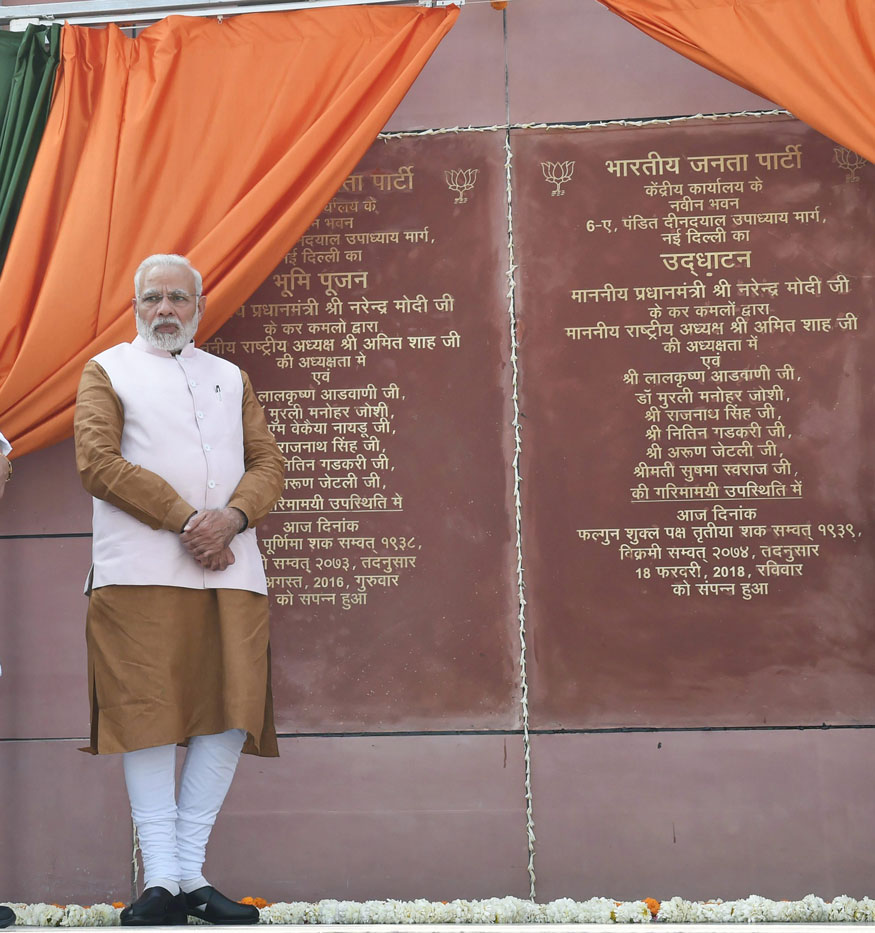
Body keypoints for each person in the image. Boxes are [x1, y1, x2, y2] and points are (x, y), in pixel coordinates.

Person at [74, 254, 285, 926]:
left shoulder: (229, 376)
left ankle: (188, 872)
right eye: (152, 298)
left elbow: (267, 461)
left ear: (198, 305)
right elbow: (96, 461)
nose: (165, 310)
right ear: (135, 305)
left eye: (178, 299)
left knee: (232, 711)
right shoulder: (107, 369)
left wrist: (233, 516)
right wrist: (187, 519)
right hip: (137, 572)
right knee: (148, 716)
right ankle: (162, 877)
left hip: (232, 568)